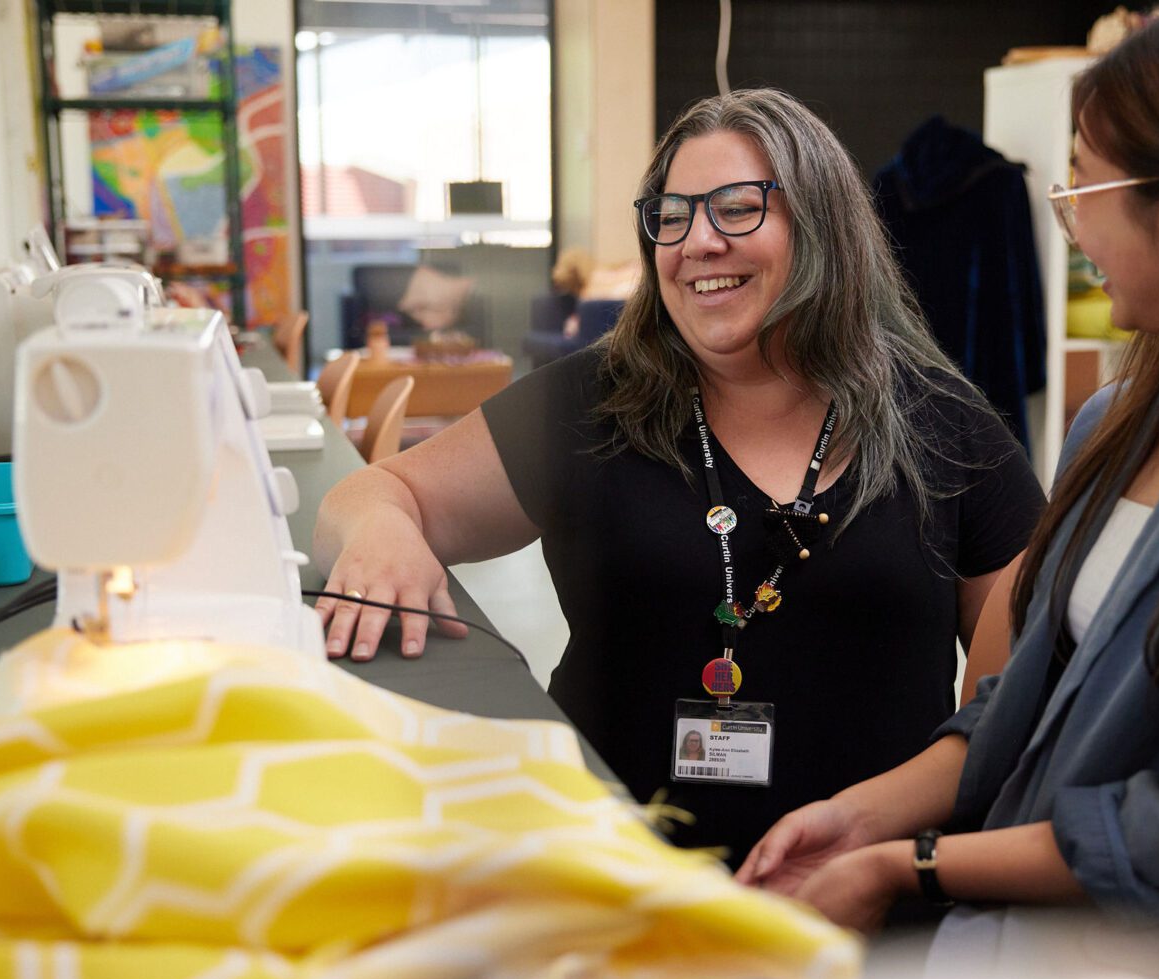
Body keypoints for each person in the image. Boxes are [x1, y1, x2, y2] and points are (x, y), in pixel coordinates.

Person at [736, 3, 1159, 979]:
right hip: (1065, 959)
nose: (1069, 211)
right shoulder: (1112, 425)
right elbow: (1033, 701)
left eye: (1087, 179)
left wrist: (911, 866)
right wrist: (855, 816)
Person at [313, 88, 1043, 865]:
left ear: (824, 223)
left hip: (864, 905)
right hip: (611, 881)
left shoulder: (943, 424)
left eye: (735, 208)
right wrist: (381, 528)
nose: (696, 241)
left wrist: (881, 858)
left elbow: (1016, 708)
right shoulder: (594, 402)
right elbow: (369, 494)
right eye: (672, 214)